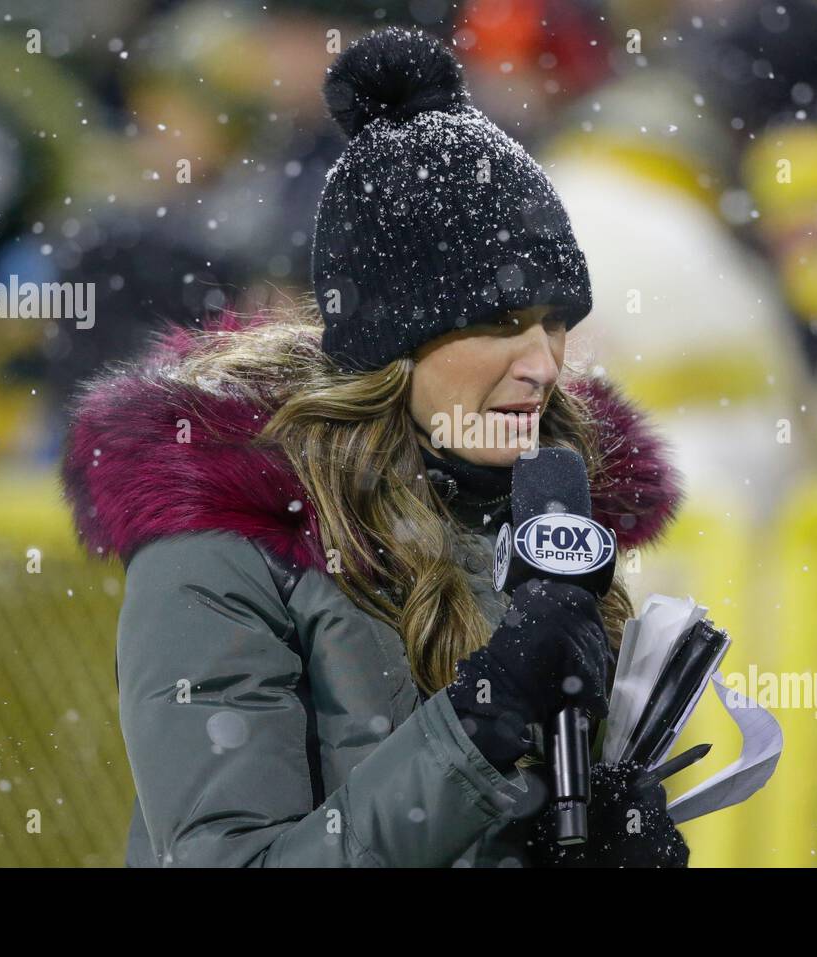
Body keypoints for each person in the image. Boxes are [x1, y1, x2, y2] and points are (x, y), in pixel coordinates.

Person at [60, 26, 690, 867]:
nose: (543, 365)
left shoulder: (543, 503)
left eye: (556, 324)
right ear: (396, 343)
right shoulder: (225, 547)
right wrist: (477, 730)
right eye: (501, 323)